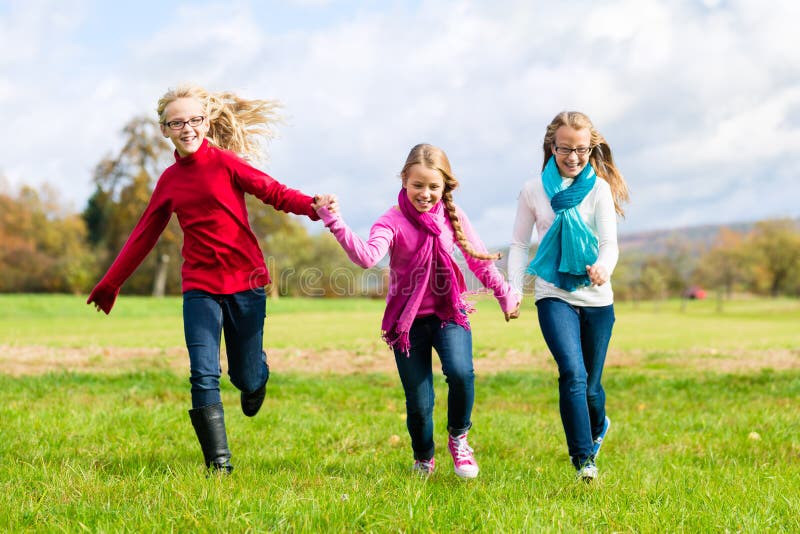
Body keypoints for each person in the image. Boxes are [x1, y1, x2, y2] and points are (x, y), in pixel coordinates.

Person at [87, 85, 323, 473]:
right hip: (200, 287)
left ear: (207, 122)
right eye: (177, 123)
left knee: (245, 376)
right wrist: (111, 283)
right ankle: (219, 465)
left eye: (194, 120)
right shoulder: (169, 181)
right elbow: (143, 235)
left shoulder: (227, 164)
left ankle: (256, 376)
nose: (187, 128)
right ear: (164, 130)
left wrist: (313, 206)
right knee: (202, 373)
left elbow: (274, 192)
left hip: (245, 282)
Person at [312, 143, 521, 479]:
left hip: (448, 312)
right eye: (418, 185)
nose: (425, 193)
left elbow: (478, 260)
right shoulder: (391, 221)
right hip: (407, 322)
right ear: (404, 181)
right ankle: (424, 457)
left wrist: (504, 294)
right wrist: (334, 221)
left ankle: (459, 438)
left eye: (433, 186)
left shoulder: (453, 215)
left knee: (461, 373)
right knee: (420, 404)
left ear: (445, 186)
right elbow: (367, 257)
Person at [507, 111, 629, 481]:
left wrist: (603, 267)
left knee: (591, 388)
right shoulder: (533, 190)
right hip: (553, 293)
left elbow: (609, 244)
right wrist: (514, 288)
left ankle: (598, 425)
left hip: (597, 298)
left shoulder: (599, 189)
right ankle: (583, 460)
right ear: (552, 146)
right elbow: (519, 244)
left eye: (581, 149)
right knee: (572, 374)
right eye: (564, 149)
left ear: (590, 148)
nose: (573, 157)